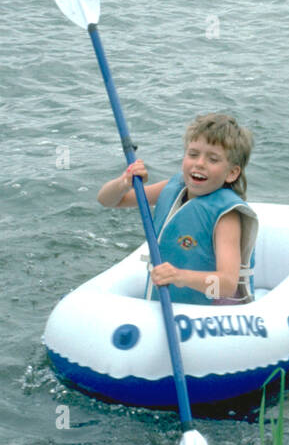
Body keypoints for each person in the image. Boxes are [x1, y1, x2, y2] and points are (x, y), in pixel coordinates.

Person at [97, 113, 257, 306]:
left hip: (210, 314)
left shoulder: (226, 217)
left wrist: (180, 277)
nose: (199, 163)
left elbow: (227, 285)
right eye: (193, 154)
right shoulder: (173, 188)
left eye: (213, 159)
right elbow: (109, 200)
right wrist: (124, 182)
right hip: (170, 302)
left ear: (232, 173)